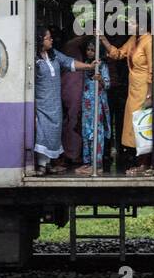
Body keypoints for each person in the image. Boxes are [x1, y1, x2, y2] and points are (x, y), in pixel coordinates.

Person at [33, 25, 100, 175]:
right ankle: (41, 165)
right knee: (42, 132)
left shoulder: (54, 55)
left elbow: (69, 62)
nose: (51, 40)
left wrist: (89, 66)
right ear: (39, 40)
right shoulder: (33, 58)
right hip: (41, 102)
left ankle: (48, 163)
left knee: (54, 131)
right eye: (48, 38)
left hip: (55, 102)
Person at [99, 6, 154, 175]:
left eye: (132, 23)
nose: (128, 25)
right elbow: (118, 54)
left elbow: (152, 70)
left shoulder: (149, 41)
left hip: (144, 89)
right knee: (135, 126)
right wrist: (103, 39)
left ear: (142, 25)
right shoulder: (134, 39)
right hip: (134, 89)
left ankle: (145, 164)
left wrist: (150, 94)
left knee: (143, 125)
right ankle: (141, 162)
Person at [77, 36, 112, 175]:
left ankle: (97, 164)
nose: (90, 52)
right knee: (86, 133)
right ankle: (87, 163)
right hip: (87, 105)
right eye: (88, 49)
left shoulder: (102, 65)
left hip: (97, 106)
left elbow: (108, 84)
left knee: (96, 133)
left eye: (93, 50)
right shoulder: (87, 64)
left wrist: (101, 80)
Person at [58, 38, 85, 172]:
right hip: (71, 90)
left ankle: (73, 153)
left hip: (73, 89)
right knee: (72, 121)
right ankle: (71, 154)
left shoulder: (75, 49)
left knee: (73, 121)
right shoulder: (70, 46)